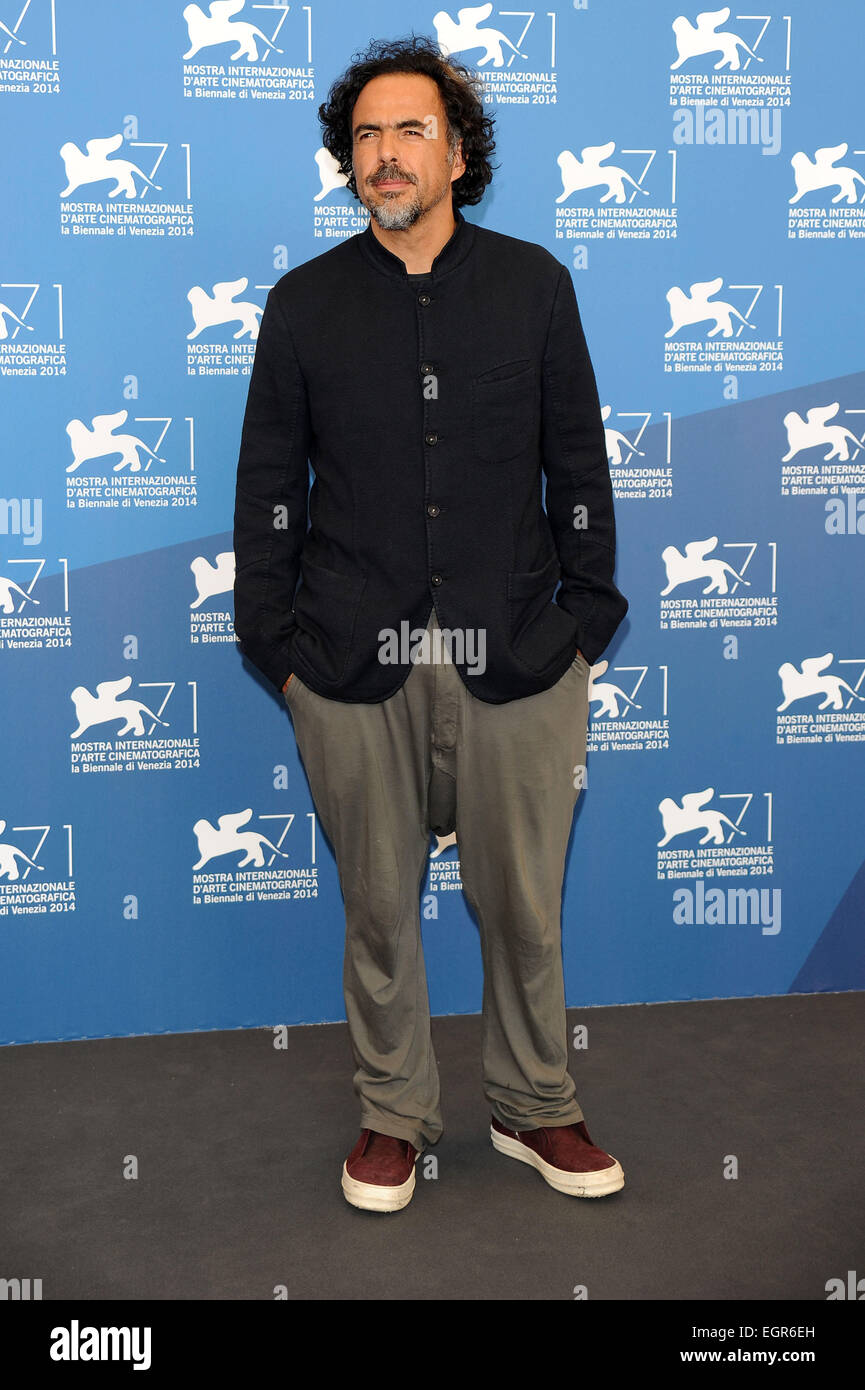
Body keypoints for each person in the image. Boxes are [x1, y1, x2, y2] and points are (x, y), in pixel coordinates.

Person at [233, 34, 629, 1213]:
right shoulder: (302, 306)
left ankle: (534, 1105)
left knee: (522, 903)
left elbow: (579, 467)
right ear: (346, 162)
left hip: (517, 647)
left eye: (410, 130)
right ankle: (393, 1114)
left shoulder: (533, 285)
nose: (385, 152)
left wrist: (584, 624)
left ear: (458, 153)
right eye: (364, 135)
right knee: (376, 907)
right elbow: (267, 489)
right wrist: (281, 653)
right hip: (351, 662)